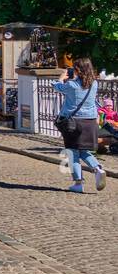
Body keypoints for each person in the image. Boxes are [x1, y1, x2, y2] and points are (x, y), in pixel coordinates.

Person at [55, 59, 105, 194]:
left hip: (74, 123)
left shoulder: (72, 84)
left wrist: (61, 78)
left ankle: (78, 183)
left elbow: (57, 87)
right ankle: (97, 168)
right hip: (90, 121)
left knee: (72, 152)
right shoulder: (94, 84)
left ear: (78, 70)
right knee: (83, 150)